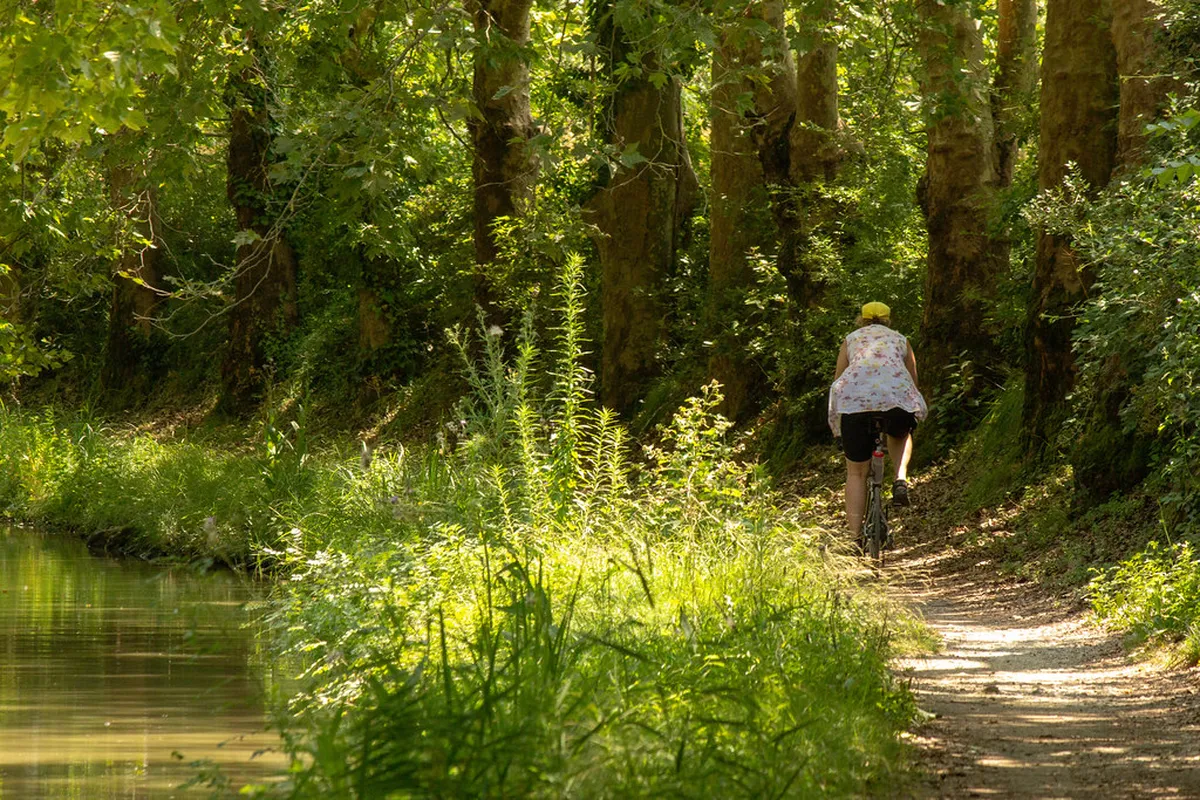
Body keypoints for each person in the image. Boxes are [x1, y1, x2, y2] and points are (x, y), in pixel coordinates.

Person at [828, 301, 927, 545]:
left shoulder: (851, 339)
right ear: (888, 319)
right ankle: (900, 478)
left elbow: (839, 376)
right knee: (900, 434)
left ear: (861, 319)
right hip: (894, 401)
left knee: (856, 472)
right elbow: (912, 379)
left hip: (855, 405)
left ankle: (854, 539)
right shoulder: (901, 340)